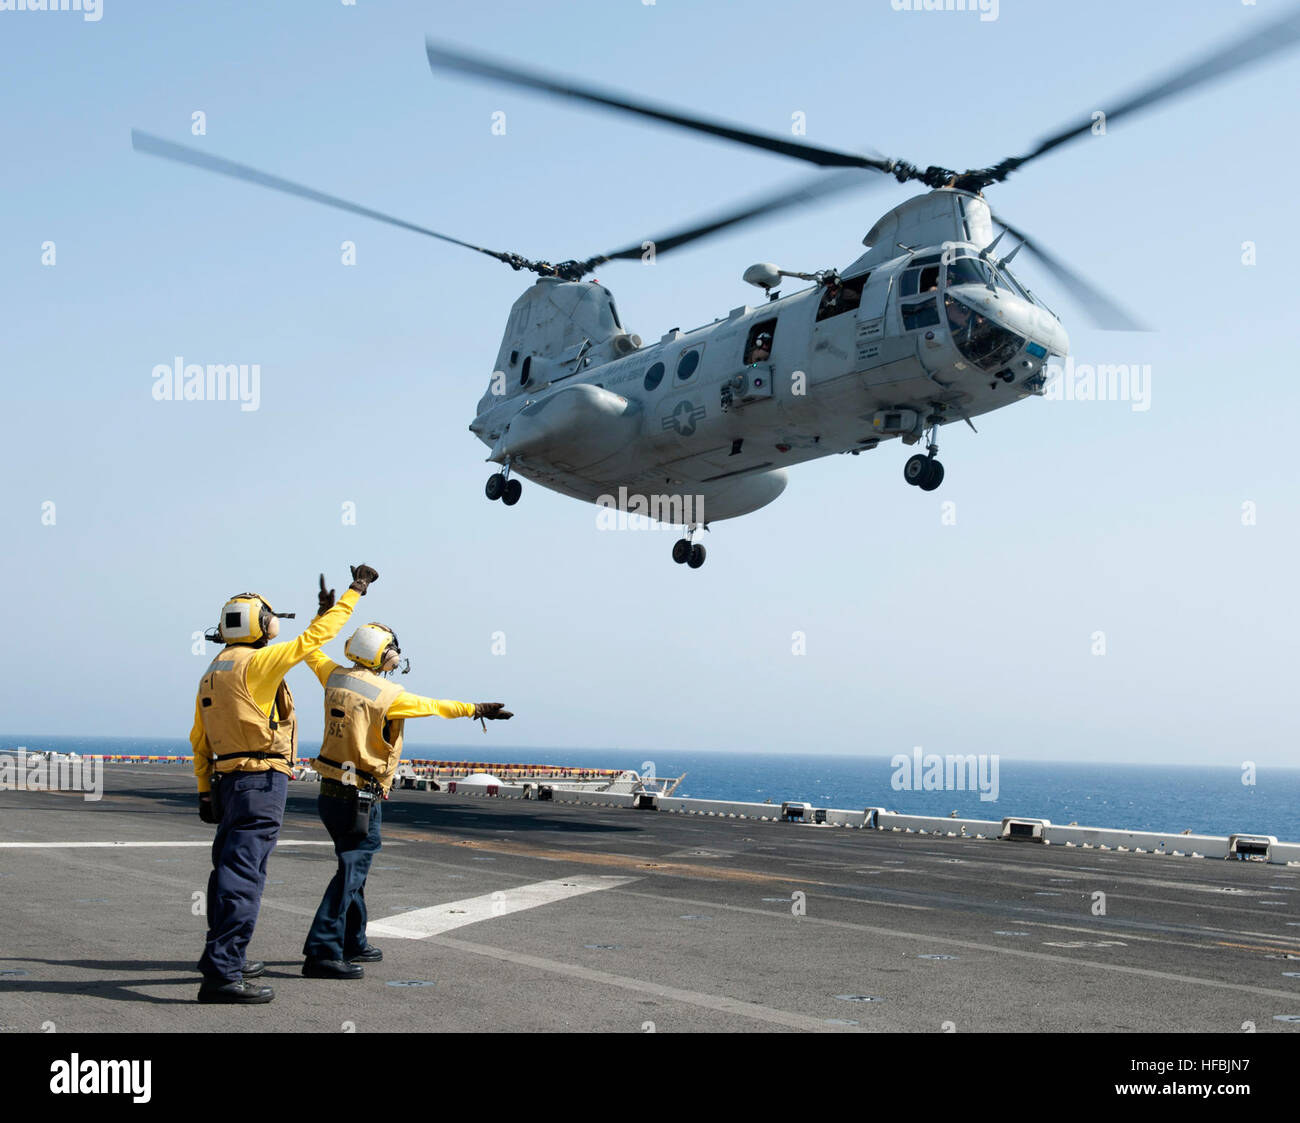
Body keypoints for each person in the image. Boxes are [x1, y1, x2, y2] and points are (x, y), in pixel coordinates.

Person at [191, 564, 379, 1004]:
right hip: (260, 782)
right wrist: (356, 590)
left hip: (225, 780)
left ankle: (224, 957)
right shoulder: (259, 663)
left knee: (226, 874)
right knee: (244, 877)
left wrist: (204, 790)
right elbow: (315, 641)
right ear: (260, 624)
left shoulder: (215, 669)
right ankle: (222, 974)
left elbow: (199, 737)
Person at [300, 591, 513, 979]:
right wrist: (477, 709)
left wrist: (323, 614)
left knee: (353, 865)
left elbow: (311, 648)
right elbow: (436, 705)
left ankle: (353, 940)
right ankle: (321, 951)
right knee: (353, 868)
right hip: (360, 797)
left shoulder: (332, 675)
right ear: (385, 656)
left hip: (329, 793)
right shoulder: (388, 694)